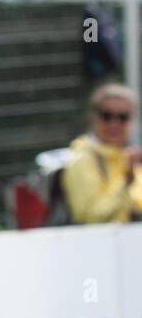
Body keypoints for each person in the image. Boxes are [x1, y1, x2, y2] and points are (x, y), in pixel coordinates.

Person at [60, 82, 142, 224]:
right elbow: (90, 217)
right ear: (93, 117)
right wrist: (126, 182)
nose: (114, 124)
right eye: (106, 116)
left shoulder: (131, 157)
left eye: (123, 117)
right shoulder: (82, 160)